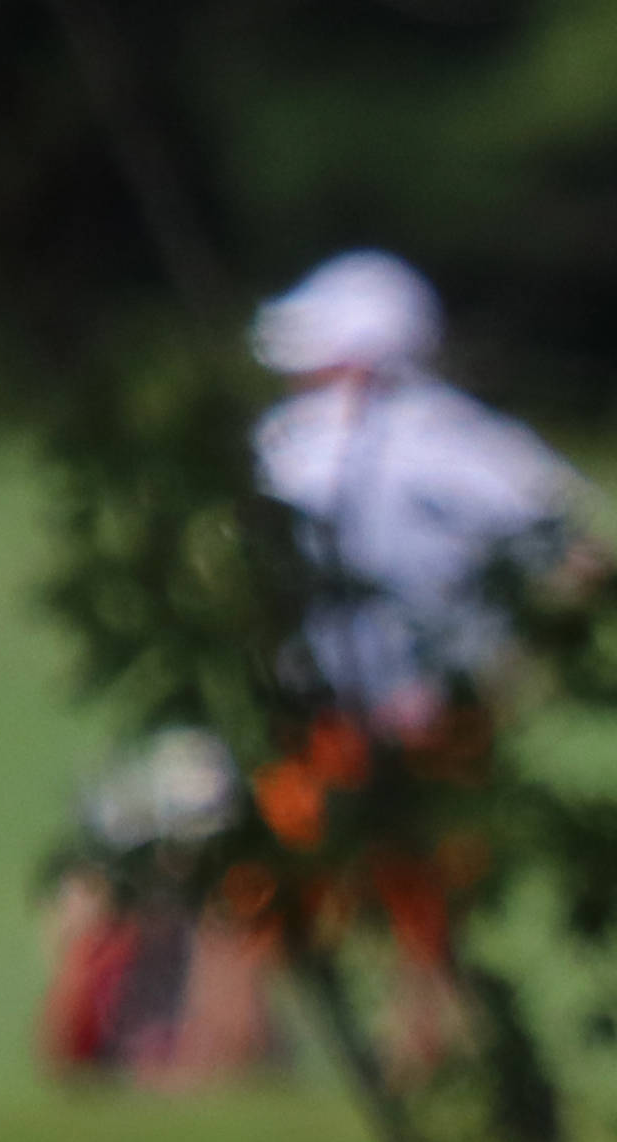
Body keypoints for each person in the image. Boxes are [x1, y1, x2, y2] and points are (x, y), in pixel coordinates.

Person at [234, 250, 593, 1067]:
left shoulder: (289, 448)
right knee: (430, 912)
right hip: (449, 712)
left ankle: (217, 1067)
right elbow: (578, 557)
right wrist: (512, 662)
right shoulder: (481, 447)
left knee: (265, 900)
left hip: (323, 714)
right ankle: (429, 1066)